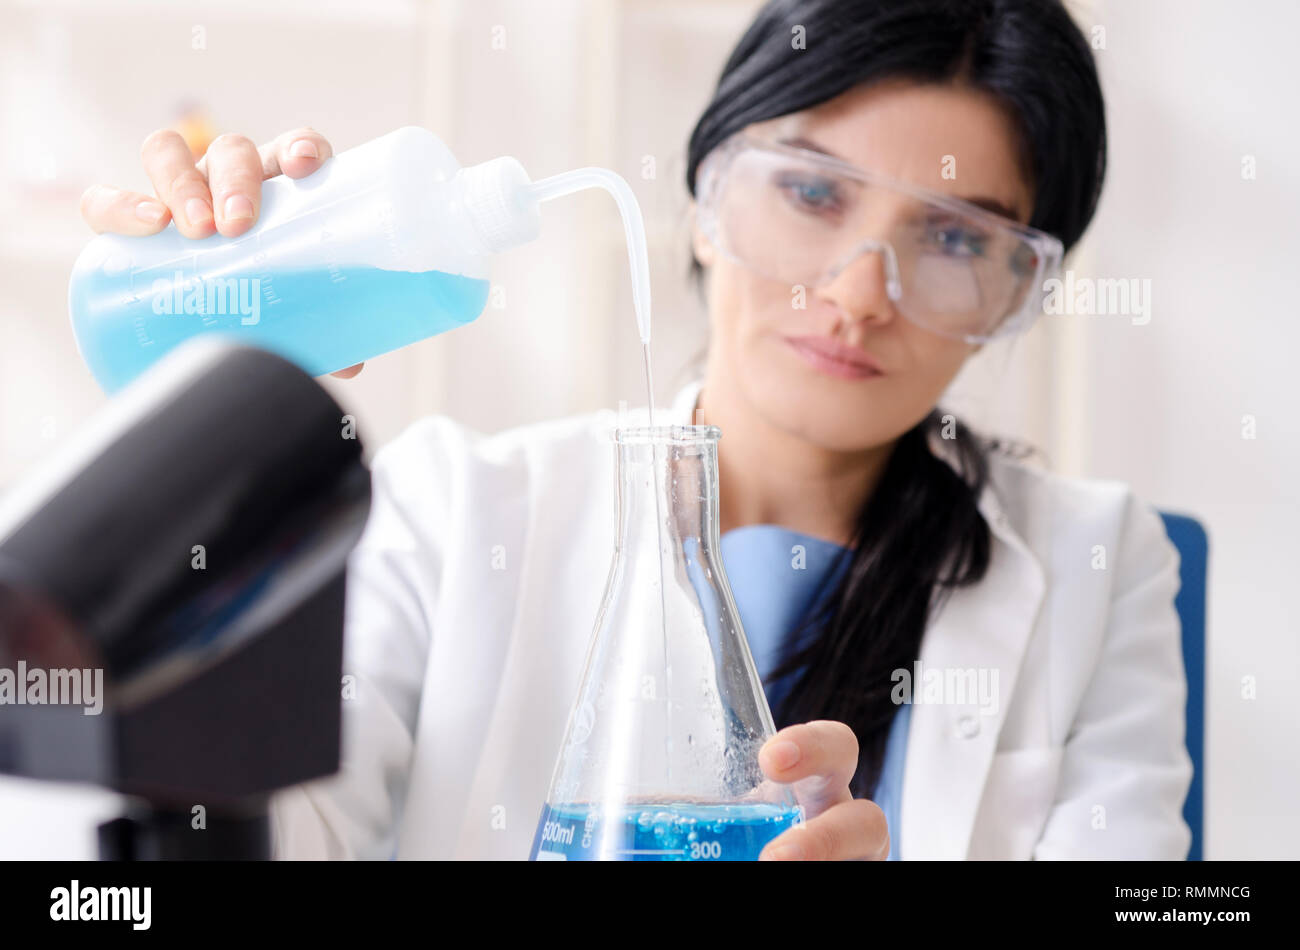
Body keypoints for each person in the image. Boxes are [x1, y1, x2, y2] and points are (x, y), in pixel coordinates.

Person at [78, 0, 1192, 860]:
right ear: (706, 200)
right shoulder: (452, 509)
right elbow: (255, 834)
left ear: (1020, 292)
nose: (859, 292)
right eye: (812, 194)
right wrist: (206, 445)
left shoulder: (1106, 561)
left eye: (955, 239)